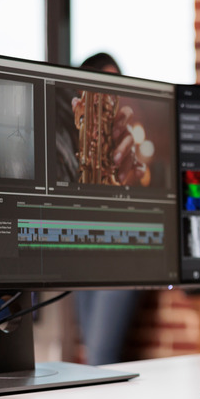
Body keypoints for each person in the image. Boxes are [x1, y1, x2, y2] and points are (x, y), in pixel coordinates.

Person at [72, 52, 143, 365]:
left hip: (120, 258)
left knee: (100, 356)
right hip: (84, 255)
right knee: (92, 352)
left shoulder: (125, 137)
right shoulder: (73, 134)